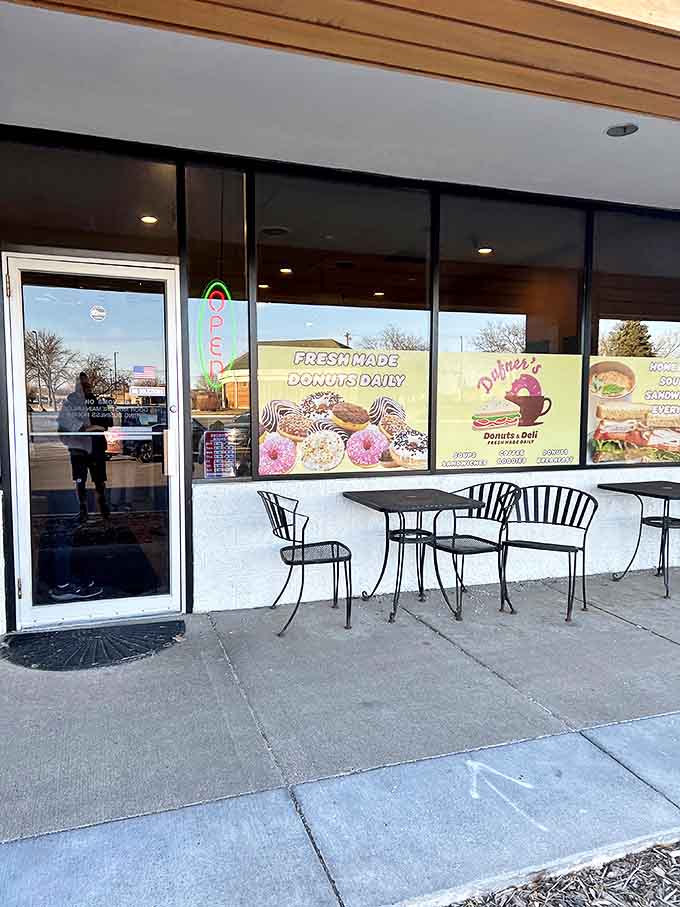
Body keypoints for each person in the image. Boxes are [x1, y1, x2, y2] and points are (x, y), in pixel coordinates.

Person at [50, 372, 112, 601]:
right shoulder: (69, 403)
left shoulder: (97, 402)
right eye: (83, 384)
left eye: (88, 384)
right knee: (79, 482)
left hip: (96, 448)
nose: (86, 387)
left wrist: (96, 425)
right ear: (77, 386)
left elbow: (108, 422)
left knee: (100, 482)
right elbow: (63, 428)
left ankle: (104, 512)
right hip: (78, 449)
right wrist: (83, 429)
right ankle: (83, 511)